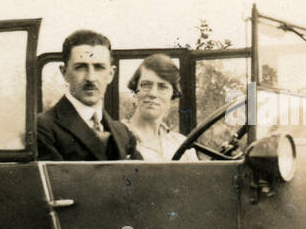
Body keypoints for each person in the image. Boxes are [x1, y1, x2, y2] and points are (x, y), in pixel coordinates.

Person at [36, 29, 142, 161]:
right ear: (64, 73)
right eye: (80, 67)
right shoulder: (41, 129)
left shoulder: (123, 133)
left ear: (111, 74)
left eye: (99, 67)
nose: (91, 78)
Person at [125, 54, 197, 161]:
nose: (153, 93)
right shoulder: (118, 138)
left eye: (162, 87)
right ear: (135, 90)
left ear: (173, 93)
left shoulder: (182, 144)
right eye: (146, 85)